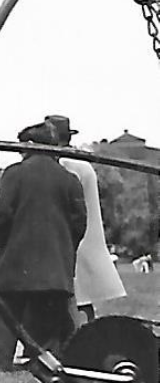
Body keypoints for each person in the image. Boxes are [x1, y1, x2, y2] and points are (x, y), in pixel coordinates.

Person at [0, 122, 87, 370]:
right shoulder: (69, 179)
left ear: (29, 145)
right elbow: (79, 223)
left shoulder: (14, 174)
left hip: (15, 264)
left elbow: (1, 216)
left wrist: (4, 246)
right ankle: (45, 365)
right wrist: (65, 251)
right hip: (55, 269)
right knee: (48, 326)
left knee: (4, 314)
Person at [44, 114, 126, 322]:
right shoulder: (81, 162)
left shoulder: (67, 164)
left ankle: (79, 343)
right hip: (86, 237)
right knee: (81, 298)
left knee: (76, 297)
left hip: (76, 240)